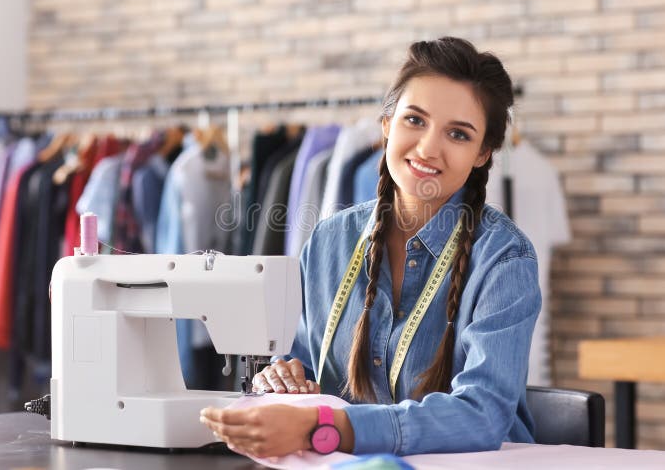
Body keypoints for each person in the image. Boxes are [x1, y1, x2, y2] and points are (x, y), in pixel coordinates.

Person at [200, 37, 542, 458]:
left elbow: (483, 415)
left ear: (482, 154)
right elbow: (306, 363)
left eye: (457, 133)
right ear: (386, 125)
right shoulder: (328, 242)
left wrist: (325, 428)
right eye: (415, 120)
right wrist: (283, 378)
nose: (428, 148)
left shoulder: (504, 259)